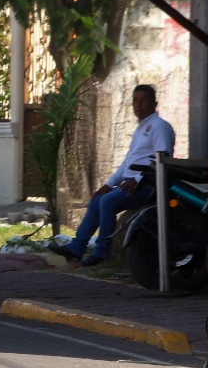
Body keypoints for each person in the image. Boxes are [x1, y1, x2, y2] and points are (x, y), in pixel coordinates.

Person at [55, 84, 175, 266]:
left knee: (108, 201)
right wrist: (109, 184)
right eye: (135, 100)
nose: (138, 104)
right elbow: (127, 162)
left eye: (143, 100)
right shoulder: (141, 129)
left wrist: (137, 179)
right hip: (130, 183)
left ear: (154, 103)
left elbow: (162, 158)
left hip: (148, 185)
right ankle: (76, 248)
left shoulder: (160, 127)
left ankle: (102, 250)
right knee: (98, 199)